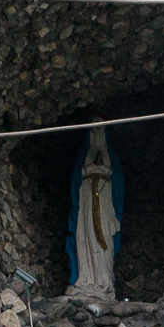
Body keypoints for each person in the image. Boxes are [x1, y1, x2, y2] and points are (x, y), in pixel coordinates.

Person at [65, 124, 125, 301]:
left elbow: (118, 184)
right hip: (86, 205)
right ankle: (85, 280)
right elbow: (77, 178)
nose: (98, 132)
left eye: (101, 128)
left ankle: (103, 281)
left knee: (105, 241)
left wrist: (102, 172)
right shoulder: (84, 157)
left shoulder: (111, 157)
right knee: (84, 240)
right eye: (95, 128)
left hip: (106, 206)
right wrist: (89, 171)